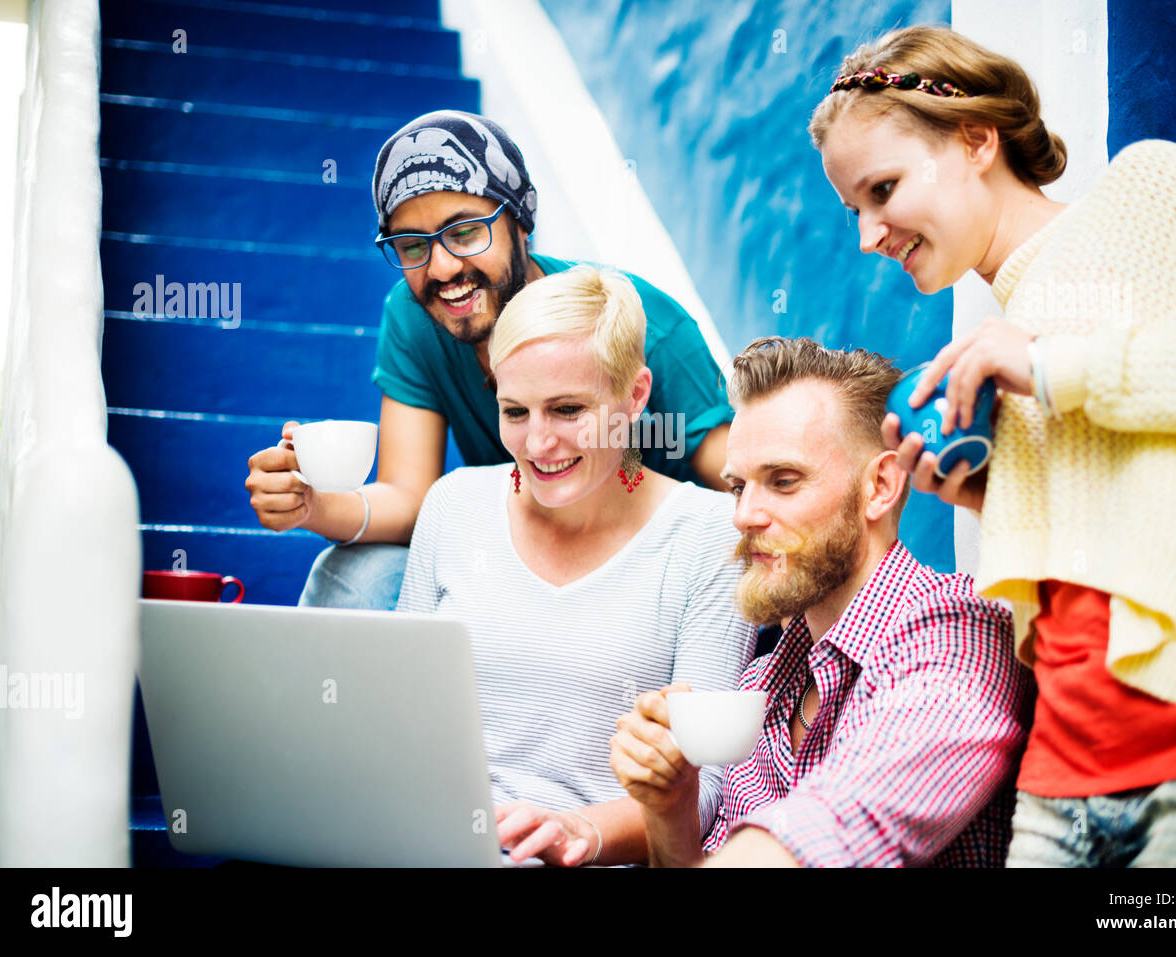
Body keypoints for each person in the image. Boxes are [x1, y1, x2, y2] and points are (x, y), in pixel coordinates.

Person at [810, 25, 1176, 866]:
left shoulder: (1148, 192)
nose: (868, 235)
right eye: (854, 209)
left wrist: (1057, 368)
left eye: (882, 189)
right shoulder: (1006, 341)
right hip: (1059, 786)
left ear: (976, 139)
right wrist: (992, 497)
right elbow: (1121, 529)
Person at [244, 110, 735, 609]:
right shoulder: (414, 320)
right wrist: (313, 506)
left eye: (465, 233)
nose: (442, 268)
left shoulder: (649, 327)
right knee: (361, 574)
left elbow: (743, 489)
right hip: (523, 558)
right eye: (412, 245)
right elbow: (410, 498)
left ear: (522, 221)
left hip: (651, 573)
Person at [611, 337, 1032, 867]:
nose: (744, 516)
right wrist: (670, 810)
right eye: (739, 487)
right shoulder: (764, 682)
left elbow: (841, 827)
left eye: (783, 482)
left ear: (879, 485)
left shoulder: (958, 633)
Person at [395, 265, 757, 866]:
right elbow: (396, 710)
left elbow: (705, 791)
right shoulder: (454, 503)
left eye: (567, 410)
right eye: (515, 412)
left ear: (636, 396)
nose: (538, 444)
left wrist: (576, 833)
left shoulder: (708, 536)